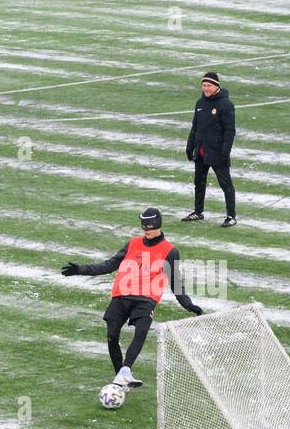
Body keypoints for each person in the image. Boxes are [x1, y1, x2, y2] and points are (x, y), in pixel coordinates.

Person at [61, 208, 204, 389]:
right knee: (112, 334)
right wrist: (81, 270)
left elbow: (175, 283)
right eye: (145, 227)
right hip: (122, 295)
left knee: (141, 331)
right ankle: (120, 378)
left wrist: (189, 305)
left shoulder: (170, 251)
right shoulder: (132, 243)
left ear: (158, 225)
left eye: (151, 227)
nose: (147, 230)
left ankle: (126, 369)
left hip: (146, 299)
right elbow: (109, 265)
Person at [183, 72, 237, 227]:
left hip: (218, 152)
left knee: (226, 184)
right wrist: (190, 146)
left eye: (209, 85)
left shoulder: (226, 105)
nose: (206, 88)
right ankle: (198, 211)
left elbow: (230, 131)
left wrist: (225, 152)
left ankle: (231, 216)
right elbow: (195, 126)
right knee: (199, 182)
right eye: (204, 85)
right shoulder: (200, 103)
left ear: (216, 86)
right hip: (201, 151)